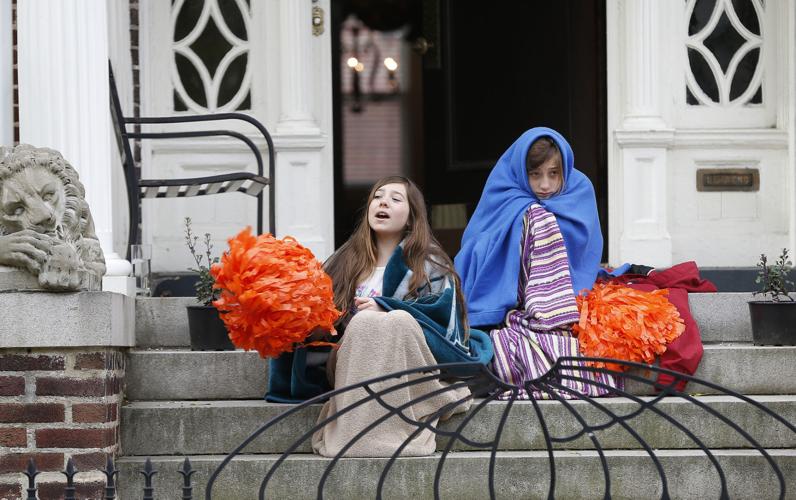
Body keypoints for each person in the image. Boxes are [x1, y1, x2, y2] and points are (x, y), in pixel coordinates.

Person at [270, 175, 493, 457]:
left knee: (395, 320)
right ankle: (358, 430)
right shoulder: (342, 260)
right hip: (351, 361)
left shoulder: (431, 265)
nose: (383, 202)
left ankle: (383, 430)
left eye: (395, 199)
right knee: (365, 322)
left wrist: (387, 308)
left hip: (407, 363)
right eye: (377, 196)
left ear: (412, 217)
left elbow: (445, 325)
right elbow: (321, 322)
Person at [454, 127, 619, 399]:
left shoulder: (579, 189)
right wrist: (528, 220)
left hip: (566, 290)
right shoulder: (504, 190)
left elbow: (585, 247)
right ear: (521, 173)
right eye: (535, 174)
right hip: (507, 294)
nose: (545, 185)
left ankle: (550, 312)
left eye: (554, 174)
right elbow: (477, 243)